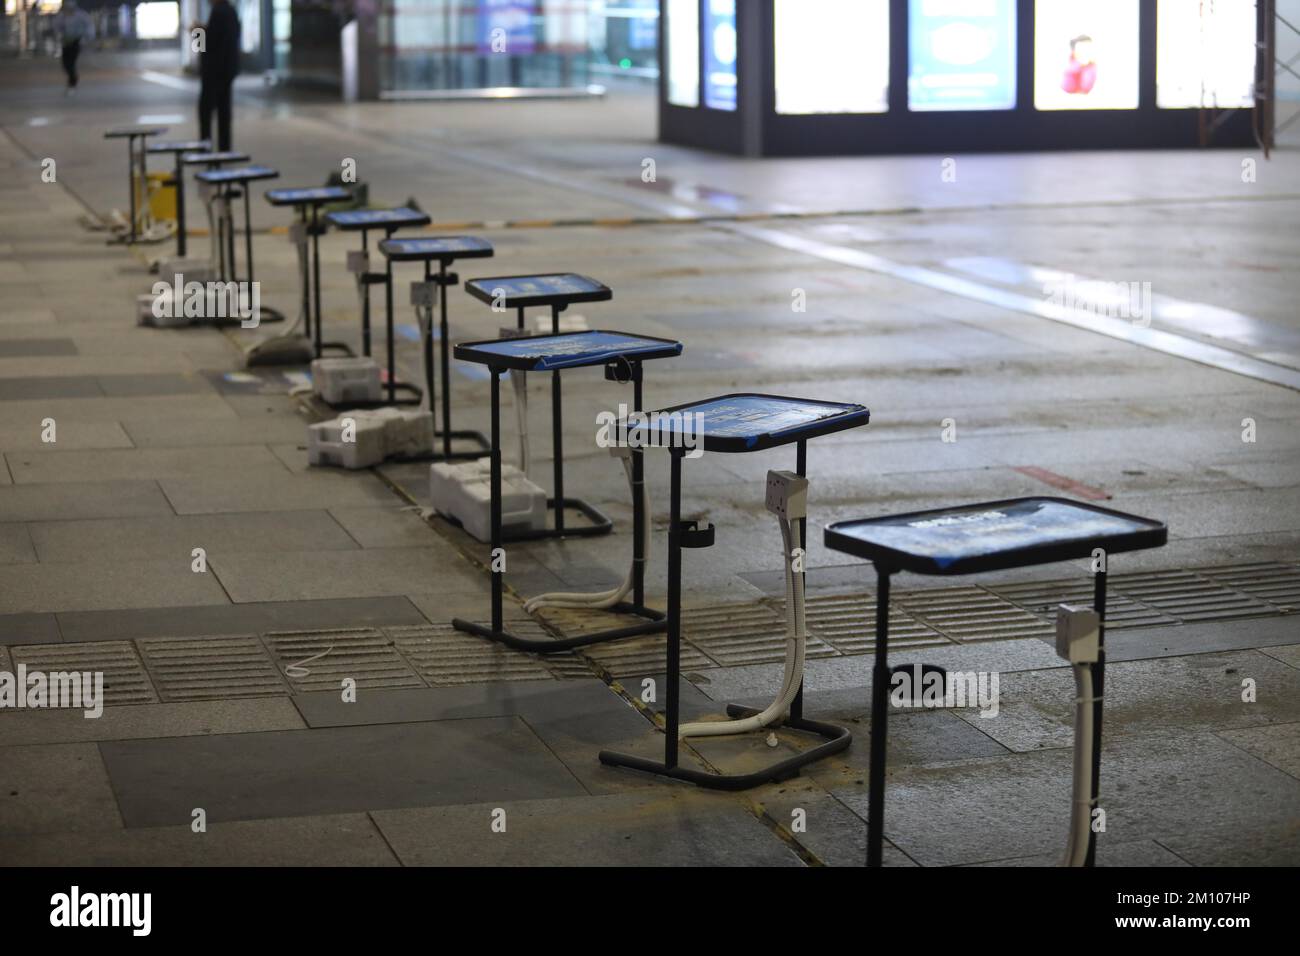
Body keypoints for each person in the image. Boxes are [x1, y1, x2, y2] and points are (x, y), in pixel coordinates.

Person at [195, 0, 241, 151]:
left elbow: (203, 46)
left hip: (213, 72)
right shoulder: (231, 12)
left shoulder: (218, 12)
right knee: (223, 112)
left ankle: (205, 147)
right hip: (227, 71)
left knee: (205, 111)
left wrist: (197, 32)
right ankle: (225, 148)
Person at [56, 1, 95, 95]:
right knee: (65, 63)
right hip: (66, 42)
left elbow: (89, 27)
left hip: (76, 41)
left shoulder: (81, 15)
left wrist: (86, 39)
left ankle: (72, 84)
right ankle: (72, 82)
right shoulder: (62, 16)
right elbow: (57, 27)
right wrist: (59, 35)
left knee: (71, 63)